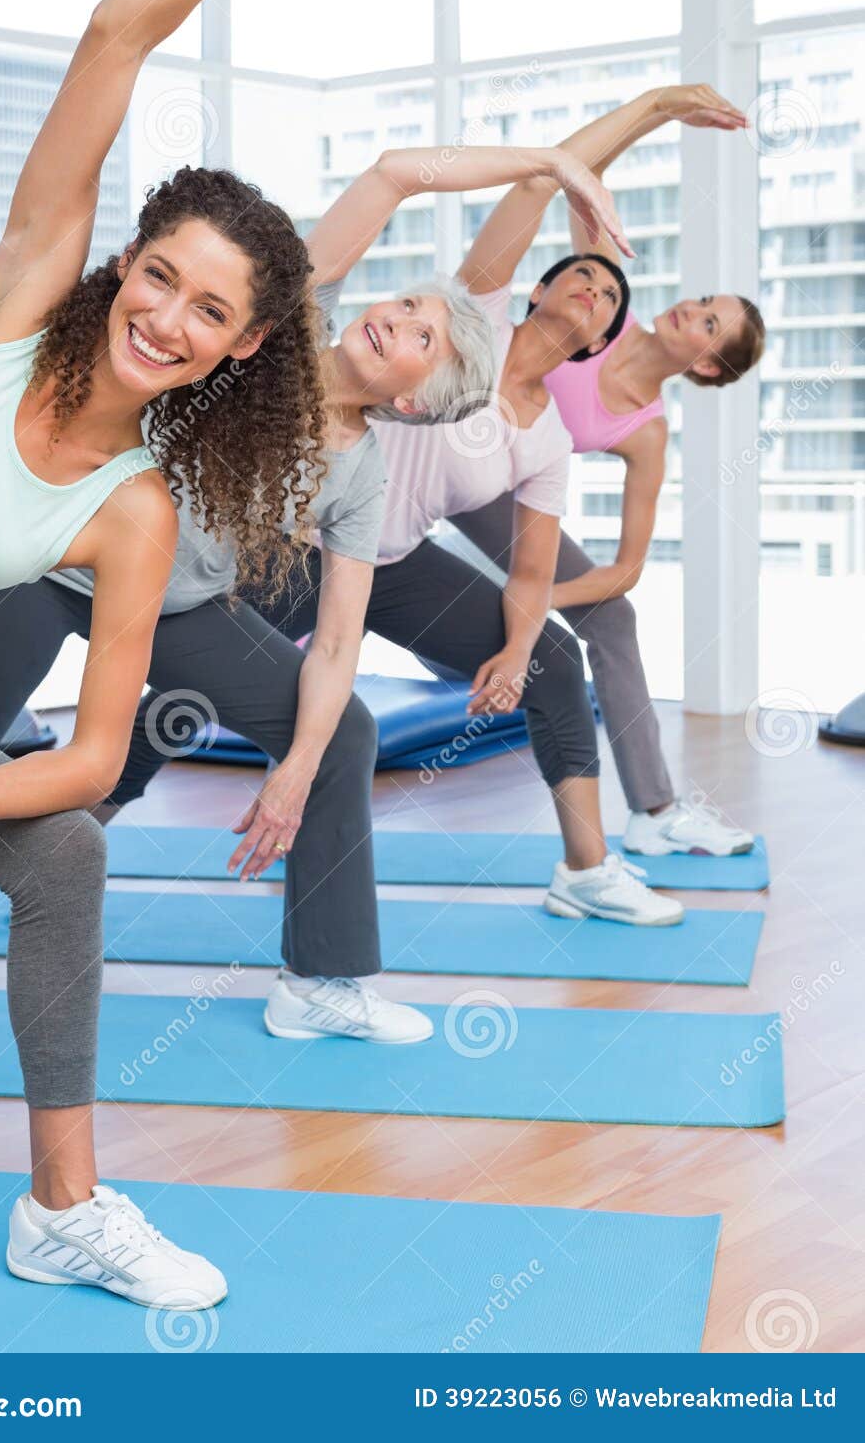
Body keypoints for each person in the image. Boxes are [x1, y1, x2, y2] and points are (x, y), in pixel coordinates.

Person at [0, 0, 468, 1314]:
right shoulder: (23, 294)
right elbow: (116, 33)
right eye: (157, 273)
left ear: (238, 351)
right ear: (122, 260)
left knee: (68, 853)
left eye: (207, 311)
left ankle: (64, 1204)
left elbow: (94, 759)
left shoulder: (134, 512)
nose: (163, 313)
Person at [0, 138, 626, 1051]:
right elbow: (394, 173)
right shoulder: (262, 338)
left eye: (423, 335)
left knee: (340, 731)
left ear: (418, 403)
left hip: (176, 604)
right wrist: (554, 160)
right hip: (40, 561)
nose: (396, 319)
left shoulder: (360, 483)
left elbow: (341, 644)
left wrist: (294, 774)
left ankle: (319, 980)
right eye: (403, 303)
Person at [97, 147, 685, 927]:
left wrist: (514, 653)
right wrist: (570, 161)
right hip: (292, 552)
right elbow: (522, 189)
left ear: (605, 335)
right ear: (538, 288)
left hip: (394, 561)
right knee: (178, 702)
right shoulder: (469, 316)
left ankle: (586, 868)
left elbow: (531, 572)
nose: (591, 289)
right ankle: (68, 833)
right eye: (580, 274)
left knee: (551, 655)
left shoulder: (545, 442)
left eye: (609, 294)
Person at [448, 84, 766, 857]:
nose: (690, 309)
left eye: (708, 321)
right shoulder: (599, 304)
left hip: (497, 486)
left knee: (612, 620)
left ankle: (652, 811)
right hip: (437, 433)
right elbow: (573, 175)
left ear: (708, 366)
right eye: (700, 300)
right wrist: (658, 107)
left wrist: (535, 597)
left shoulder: (643, 433)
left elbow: (625, 570)